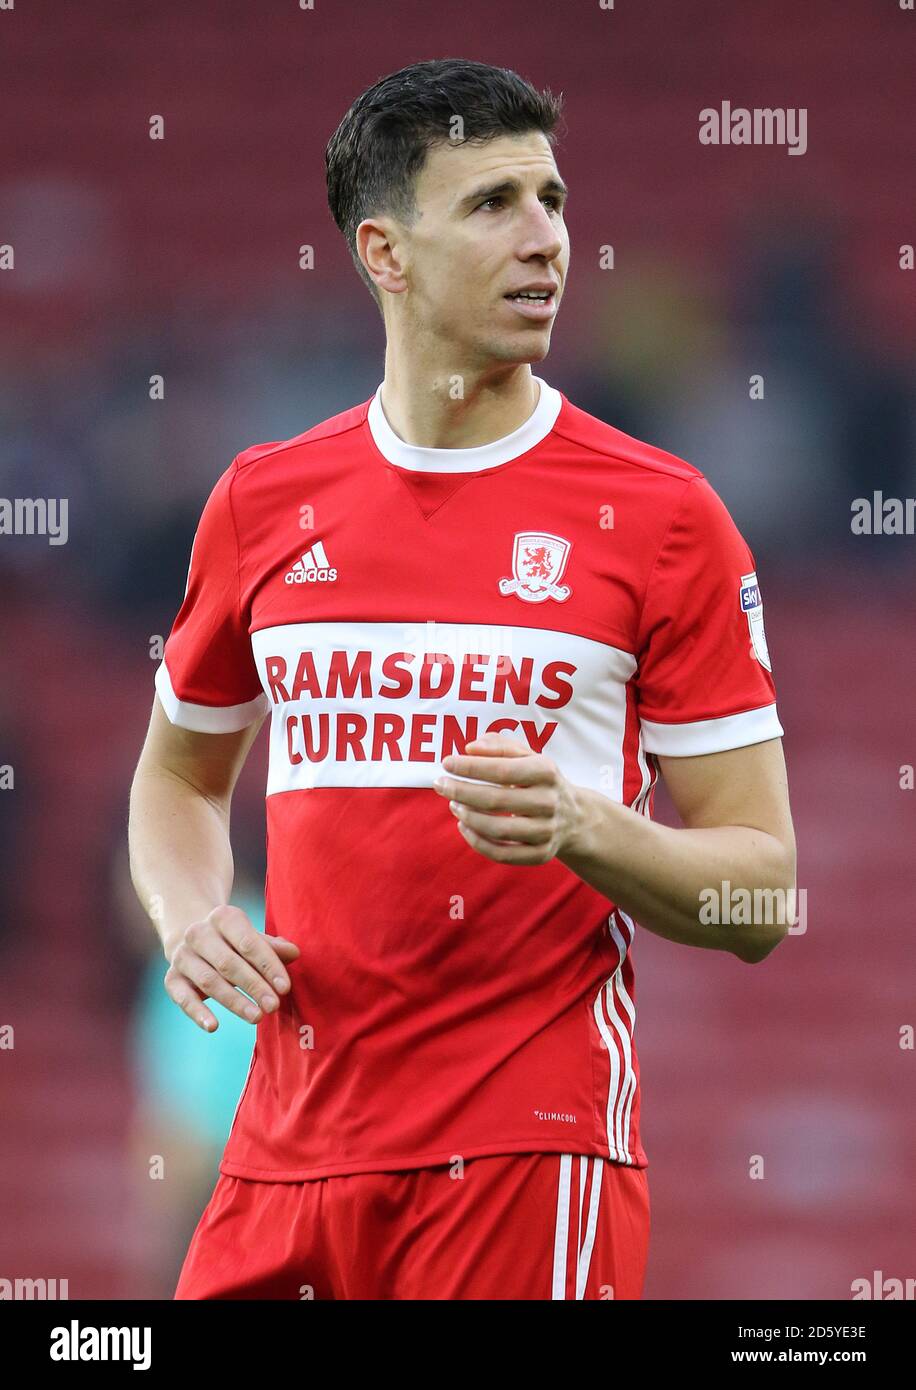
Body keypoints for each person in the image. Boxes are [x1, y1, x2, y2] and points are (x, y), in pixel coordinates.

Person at [128, 58, 796, 1301]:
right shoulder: (263, 500)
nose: (546, 239)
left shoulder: (663, 515)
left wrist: (584, 825)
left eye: (551, 200)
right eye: (493, 204)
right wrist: (188, 915)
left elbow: (762, 899)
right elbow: (177, 772)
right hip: (283, 1152)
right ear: (385, 252)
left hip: (522, 1153)